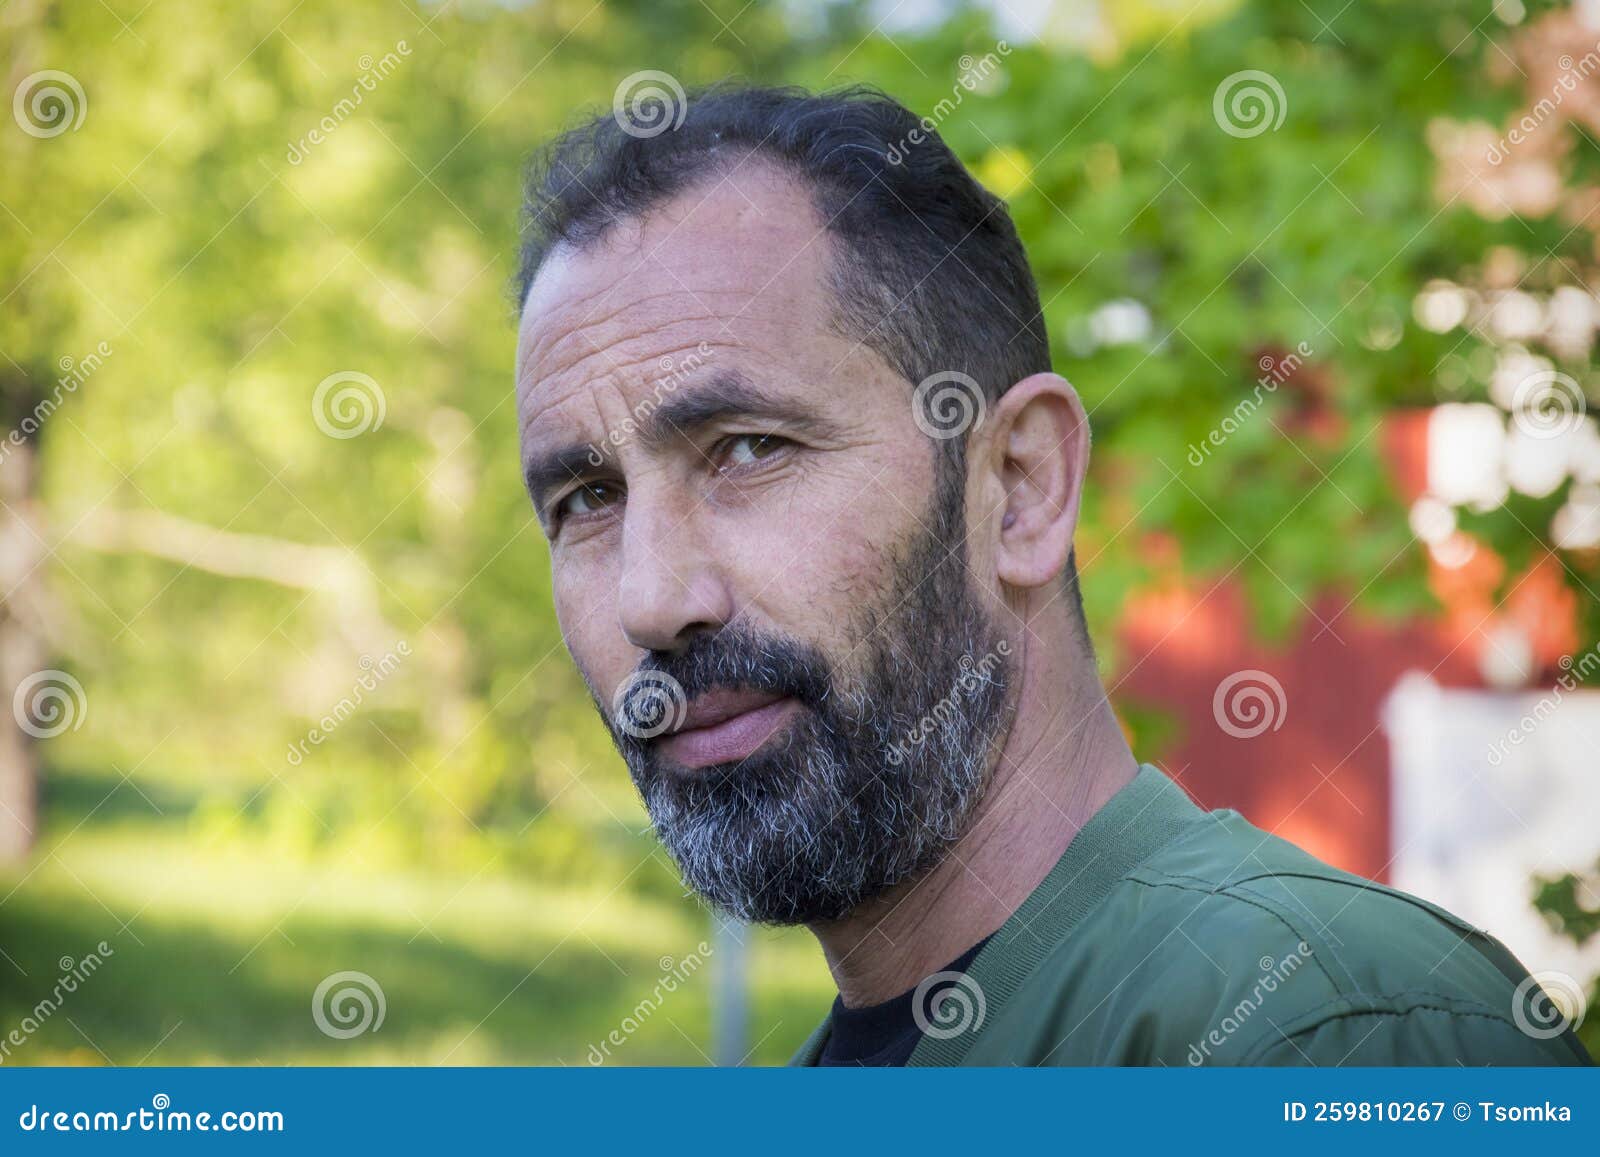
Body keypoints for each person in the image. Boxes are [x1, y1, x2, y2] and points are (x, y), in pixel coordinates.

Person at [511, 83, 1591, 1066]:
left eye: (748, 448)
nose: (652, 597)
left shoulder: (1331, 1031)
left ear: (1018, 485)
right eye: (586, 500)